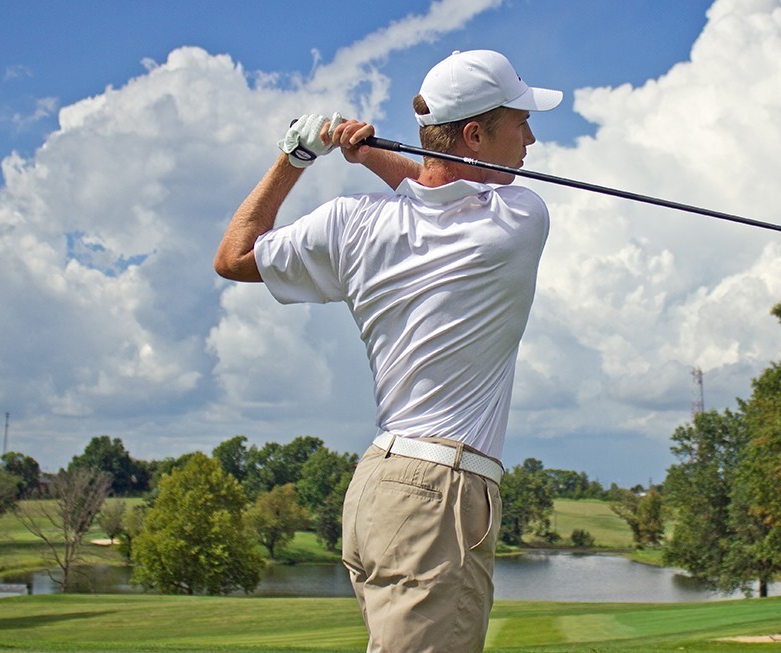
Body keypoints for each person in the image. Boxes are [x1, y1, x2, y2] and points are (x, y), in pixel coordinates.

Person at [214, 49, 562, 652]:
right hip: (441, 494)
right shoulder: (520, 217)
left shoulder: (350, 224)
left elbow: (236, 256)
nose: (530, 138)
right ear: (476, 134)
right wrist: (370, 154)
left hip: (379, 485)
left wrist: (296, 158)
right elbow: (433, 190)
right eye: (519, 122)